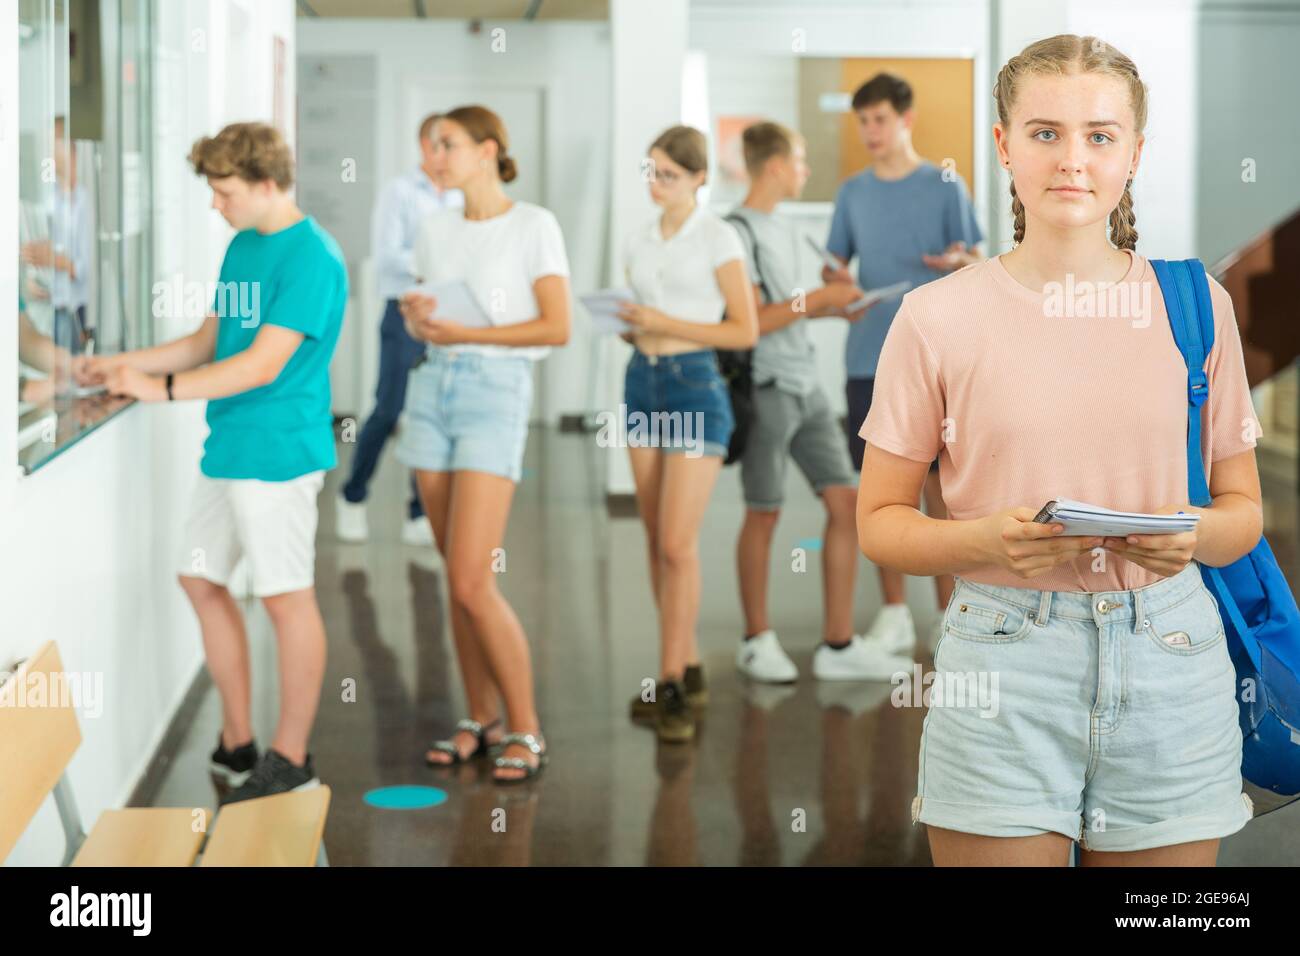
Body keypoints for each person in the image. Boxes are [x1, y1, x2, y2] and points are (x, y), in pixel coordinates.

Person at [856, 34, 1261, 866]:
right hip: (1001, 660)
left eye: (1100, 135)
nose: (1072, 159)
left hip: (1172, 660)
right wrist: (981, 540)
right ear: (1003, 145)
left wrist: (1188, 533)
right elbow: (881, 523)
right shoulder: (935, 318)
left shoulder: (1197, 304)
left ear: (1134, 154)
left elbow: (1244, 516)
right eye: (1044, 133)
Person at [77, 122, 348, 803]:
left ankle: (292, 756)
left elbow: (260, 364)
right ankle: (239, 739)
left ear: (266, 184)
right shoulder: (242, 246)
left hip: (279, 455)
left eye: (224, 192)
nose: (215, 204)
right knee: (200, 578)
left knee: (286, 599)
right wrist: (126, 363)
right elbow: (210, 340)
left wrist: (157, 391)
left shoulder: (313, 258)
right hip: (230, 447)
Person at [399, 105, 571, 783]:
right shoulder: (433, 229)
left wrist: (468, 335)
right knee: (458, 577)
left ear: (487, 150)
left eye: (444, 144)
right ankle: (481, 718)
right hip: (431, 391)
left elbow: (556, 328)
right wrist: (423, 320)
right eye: (425, 148)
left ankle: (526, 728)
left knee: (472, 578)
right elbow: (430, 326)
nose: (432, 157)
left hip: (494, 394)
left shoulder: (534, 225)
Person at [729, 121, 904, 682]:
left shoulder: (781, 230)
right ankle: (756, 639)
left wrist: (835, 305)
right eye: (800, 160)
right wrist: (818, 299)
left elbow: (789, 309)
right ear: (776, 165)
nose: (806, 170)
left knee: (845, 504)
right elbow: (750, 323)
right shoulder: (733, 234)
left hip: (807, 386)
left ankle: (837, 644)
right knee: (765, 510)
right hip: (766, 387)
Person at [825, 72, 984, 657]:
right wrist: (835, 284)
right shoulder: (851, 194)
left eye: (879, 119)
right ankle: (893, 613)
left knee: (943, 493)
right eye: (862, 120)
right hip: (868, 359)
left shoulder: (945, 186)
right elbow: (834, 267)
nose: (870, 131)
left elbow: (978, 261)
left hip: (940, 362)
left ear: (905, 119)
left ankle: (951, 614)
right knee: (883, 496)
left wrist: (961, 260)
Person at [620, 125, 759, 742]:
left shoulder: (718, 236)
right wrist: (633, 325)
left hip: (695, 384)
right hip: (642, 379)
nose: (656, 184)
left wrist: (662, 320)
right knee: (655, 539)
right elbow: (643, 316)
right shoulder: (640, 238)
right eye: (650, 171)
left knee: (678, 544)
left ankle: (671, 678)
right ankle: (689, 663)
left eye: (668, 174)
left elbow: (743, 330)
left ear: (699, 178)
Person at [336, 112, 464, 546]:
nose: (446, 154)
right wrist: (437, 262)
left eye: (453, 145)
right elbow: (388, 256)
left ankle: (418, 512)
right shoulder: (400, 192)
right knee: (390, 408)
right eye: (439, 145)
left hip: (448, 314)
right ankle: (353, 496)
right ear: (423, 146)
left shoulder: (461, 196)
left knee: (431, 413)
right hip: (403, 312)